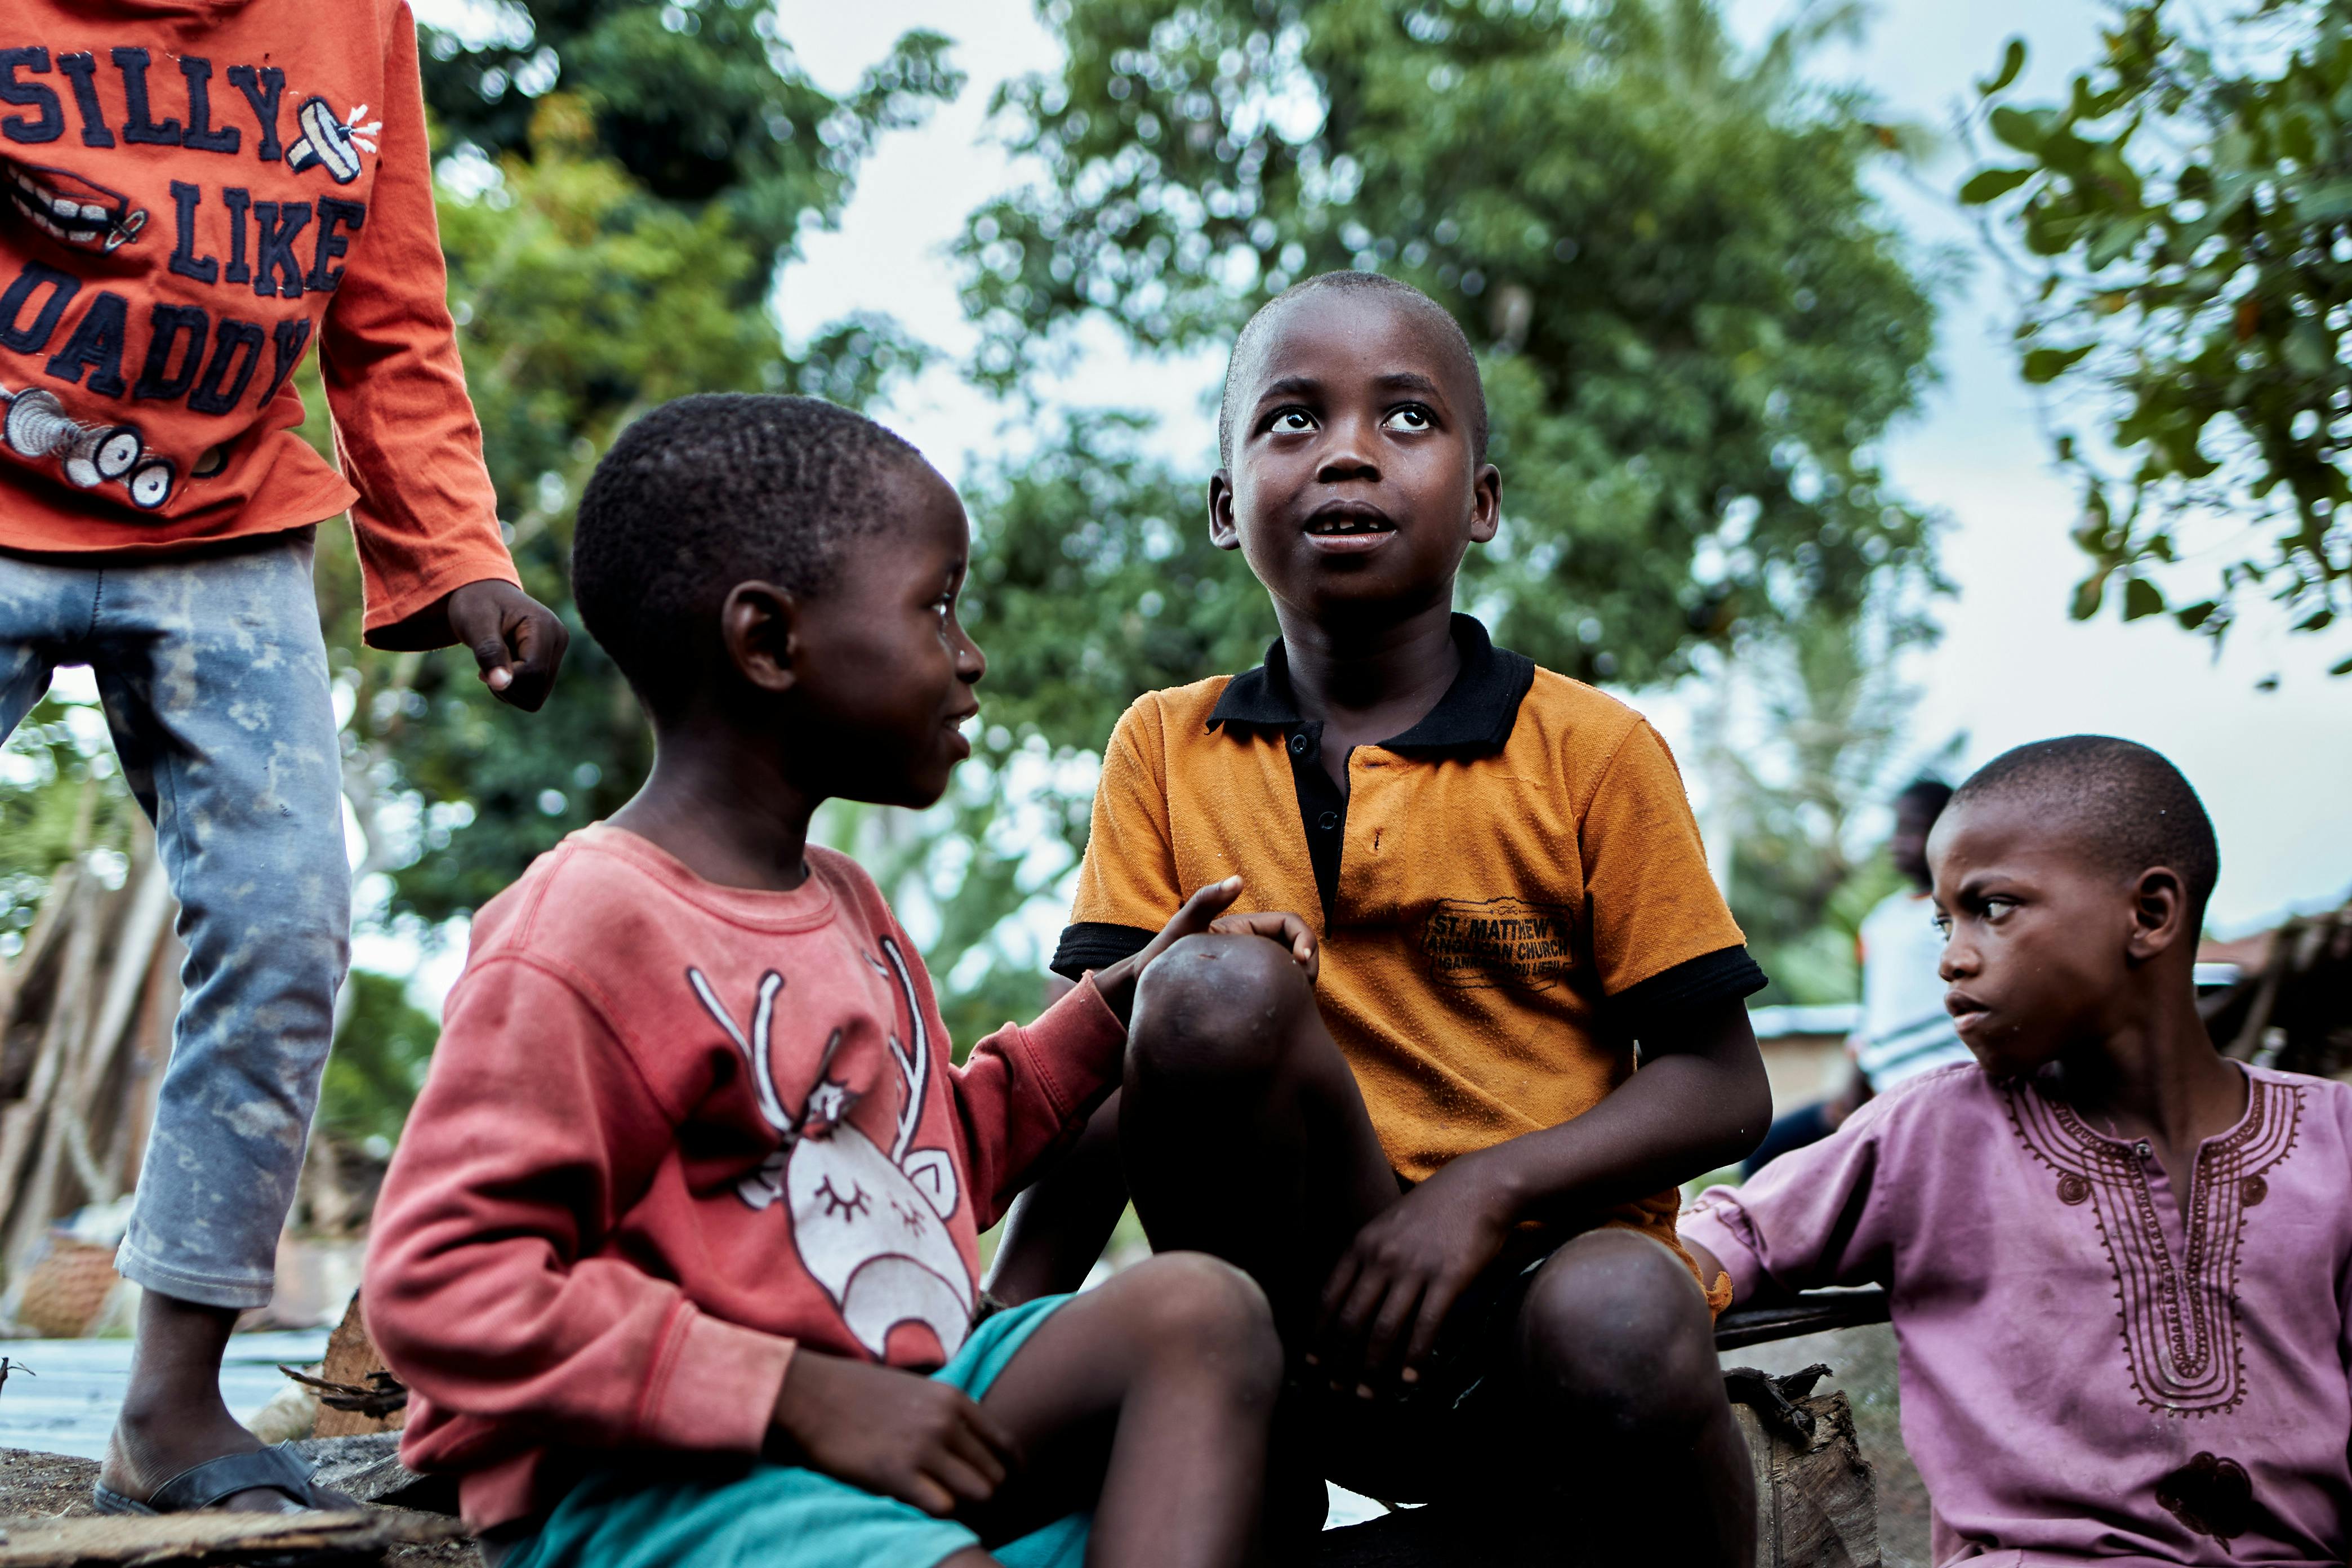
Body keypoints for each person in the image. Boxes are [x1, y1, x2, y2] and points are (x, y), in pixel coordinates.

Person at [364, 395, 1287, 1568]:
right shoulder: (590, 923)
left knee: (1204, 1322)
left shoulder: (846, 903)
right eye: (936, 606)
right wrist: (791, 1394)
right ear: (769, 643)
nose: (971, 655)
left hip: (881, 1408)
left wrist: (1121, 1007)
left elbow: (918, 1160)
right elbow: (439, 1283)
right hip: (652, 1480)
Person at [987, 271, 1773, 1563]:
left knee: (1624, 1310)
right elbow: (1106, 1073)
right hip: (1284, 1321)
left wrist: (1477, 1196)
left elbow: (1720, 1085)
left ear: (1481, 502)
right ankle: (1250, 1466)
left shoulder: (1590, 749)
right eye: (1291, 419)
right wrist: (1000, 1320)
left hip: (1533, 1318)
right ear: (1225, 502)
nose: (1348, 448)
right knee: (1199, 991)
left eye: (1405, 419)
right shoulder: (1164, 745)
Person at [0, 0, 571, 1517]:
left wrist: (461, 560)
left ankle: (171, 1404)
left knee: (285, 918)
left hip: (226, 517)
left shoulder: (351, 20)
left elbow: (387, 311)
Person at [1682, 737, 2352, 1566]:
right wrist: (1644, 1283)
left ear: (2149, 915)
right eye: (1943, 921)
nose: (1953, 957)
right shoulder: (1930, 1132)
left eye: (1991, 908)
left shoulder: (2337, 1140)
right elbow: (1736, 1234)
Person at [1742, 777, 1973, 1176]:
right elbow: (1872, 1011)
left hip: (1941, 1090)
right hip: (1877, 1086)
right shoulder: (1882, 918)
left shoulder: (1963, 915)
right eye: (1896, 829)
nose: (1899, 841)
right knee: (1767, 1158)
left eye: (1914, 828)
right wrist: (1853, 1083)